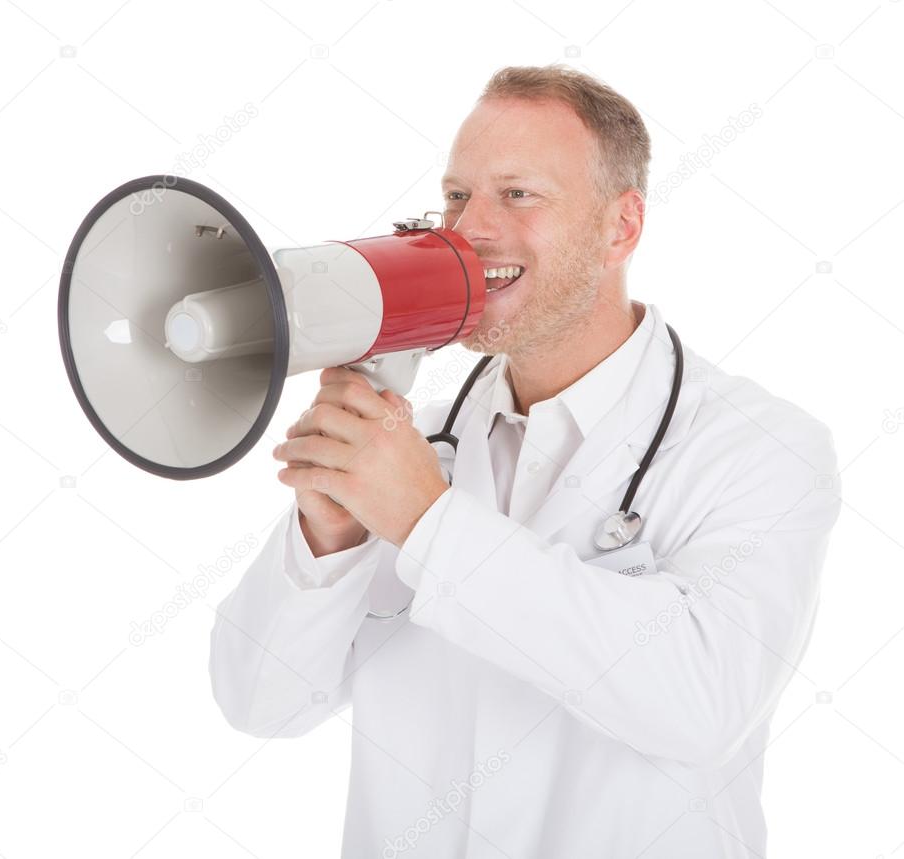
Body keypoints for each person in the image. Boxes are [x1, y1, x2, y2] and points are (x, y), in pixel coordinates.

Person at [209, 64, 841, 858]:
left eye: (517, 194)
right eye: (455, 195)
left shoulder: (760, 448)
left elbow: (702, 702)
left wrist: (429, 524)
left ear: (621, 227)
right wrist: (327, 536)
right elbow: (259, 702)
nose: (468, 230)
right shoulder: (415, 444)